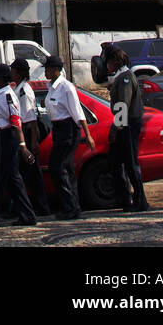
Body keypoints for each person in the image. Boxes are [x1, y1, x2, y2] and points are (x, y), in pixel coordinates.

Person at [0, 64, 36, 229]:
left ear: (2, 79)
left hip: (3, 138)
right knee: (11, 178)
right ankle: (27, 215)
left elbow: (15, 121)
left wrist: (23, 147)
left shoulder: (8, 95)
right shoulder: (0, 94)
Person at [44, 54, 95, 220]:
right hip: (58, 129)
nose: (46, 71)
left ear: (57, 70)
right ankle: (73, 206)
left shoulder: (66, 87)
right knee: (67, 169)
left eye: (49, 68)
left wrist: (87, 134)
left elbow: (77, 112)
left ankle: (70, 206)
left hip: (68, 129)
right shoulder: (51, 86)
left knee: (57, 167)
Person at [106, 48, 149, 212]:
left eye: (109, 62)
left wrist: (115, 129)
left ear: (116, 61)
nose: (108, 66)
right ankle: (124, 198)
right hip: (123, 123)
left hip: (128, 124)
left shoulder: (126, 77)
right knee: (115, 162)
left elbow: (123, 105)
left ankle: (140, 200)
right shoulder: (120, 77)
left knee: (131, 163)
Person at [10, 57, 50, 216]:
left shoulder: (24, 91)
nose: (11, 73)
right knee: (28, 173)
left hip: (27, 132)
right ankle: (31, 207)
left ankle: (40, 207)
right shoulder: (17, 89)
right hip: (23, 132)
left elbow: (31, 119)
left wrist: (32, 143)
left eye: (13, 71)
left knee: (32, 173)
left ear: (19, 73)